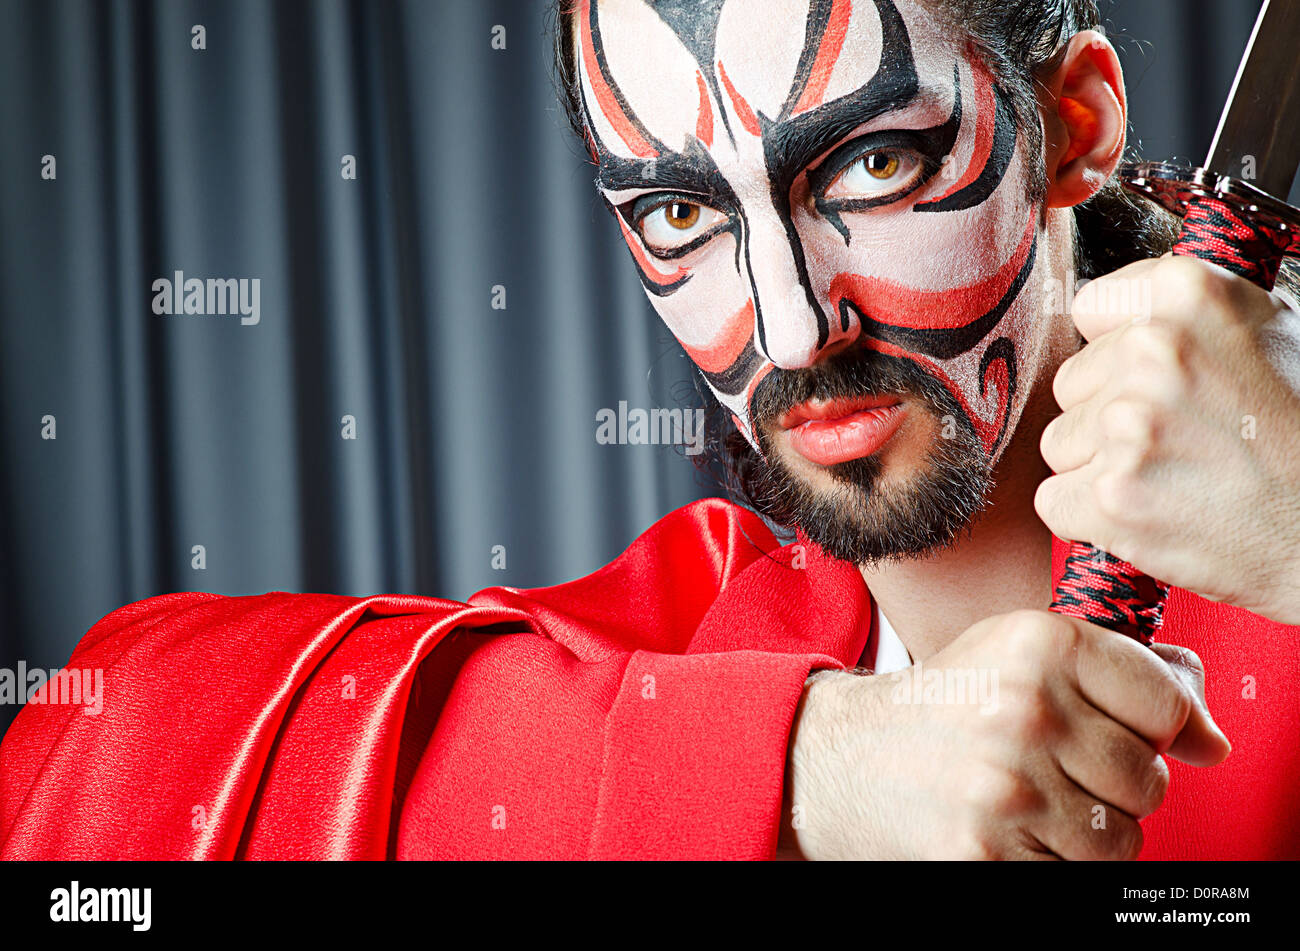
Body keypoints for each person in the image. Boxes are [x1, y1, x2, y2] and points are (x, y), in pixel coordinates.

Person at [2, 0, 1298, 861]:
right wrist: (799, 767)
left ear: (1073, 130)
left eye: (872, 165)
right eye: (685, 214)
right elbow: (84, 757)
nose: (792, 334)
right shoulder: (705, 633)